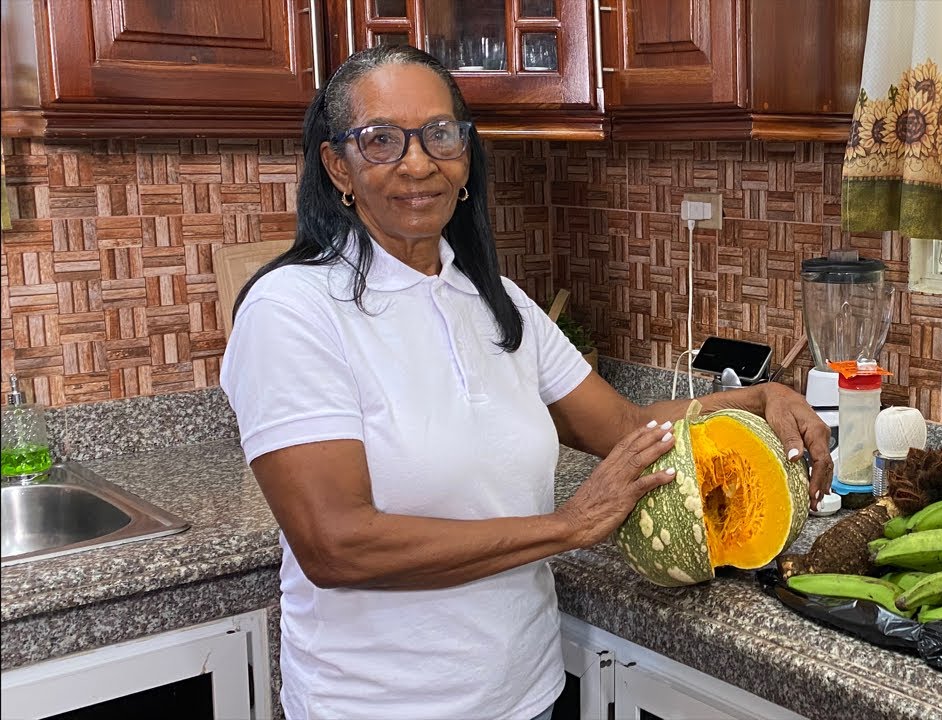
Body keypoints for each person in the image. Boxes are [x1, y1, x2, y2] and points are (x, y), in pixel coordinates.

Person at [220, 44, 833, 720]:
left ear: (465, 155)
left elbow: (628, 432)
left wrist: (759, 397)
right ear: (339, 164)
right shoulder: (292, 311)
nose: (418, 163)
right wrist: (568, 525)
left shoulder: (497, 301)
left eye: (440, 135)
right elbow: (337, 544)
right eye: (382, 141)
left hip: (524, 694)